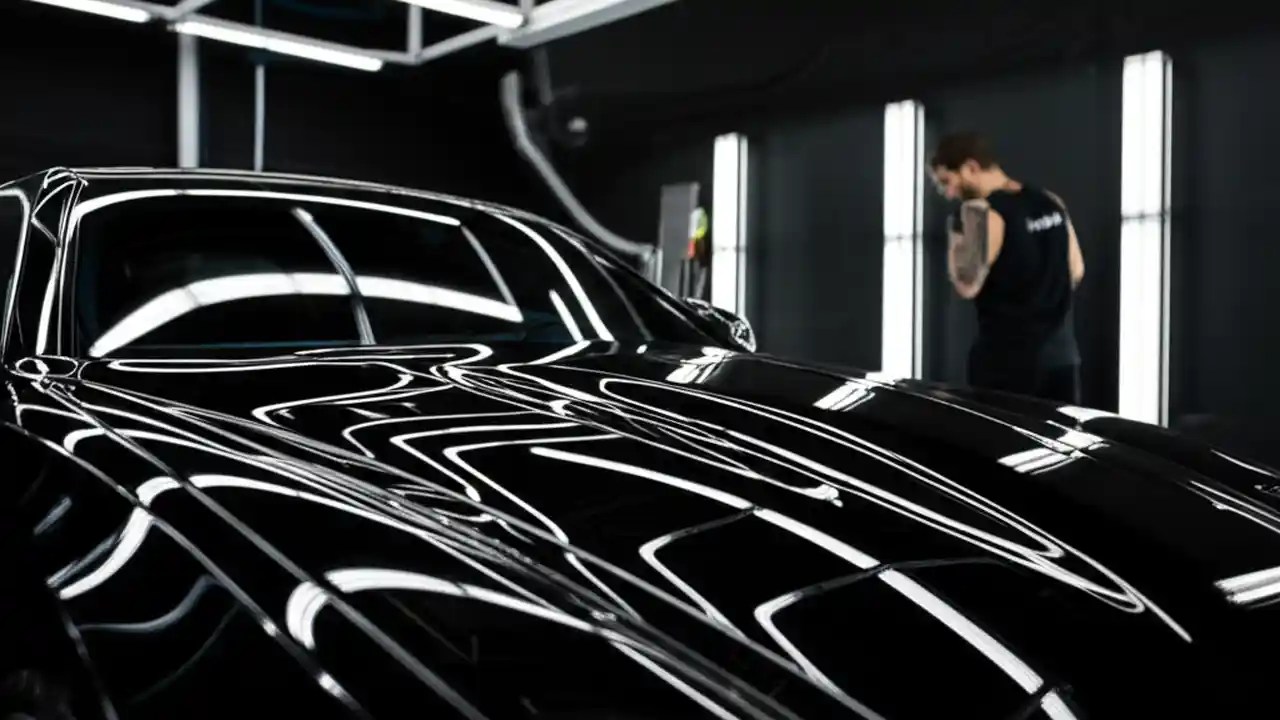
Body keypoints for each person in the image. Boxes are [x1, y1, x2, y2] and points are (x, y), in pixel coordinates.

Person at [930, 132, 1086, 403]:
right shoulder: (1050, 201)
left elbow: (966, 284)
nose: (949, 194)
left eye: (947, 182)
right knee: (1058, 444)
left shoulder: (983, 214)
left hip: (1007, 366)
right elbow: (1076, 269)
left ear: (971, 168)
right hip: (1061, 359)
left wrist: (957, 231)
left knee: (1001, 445)